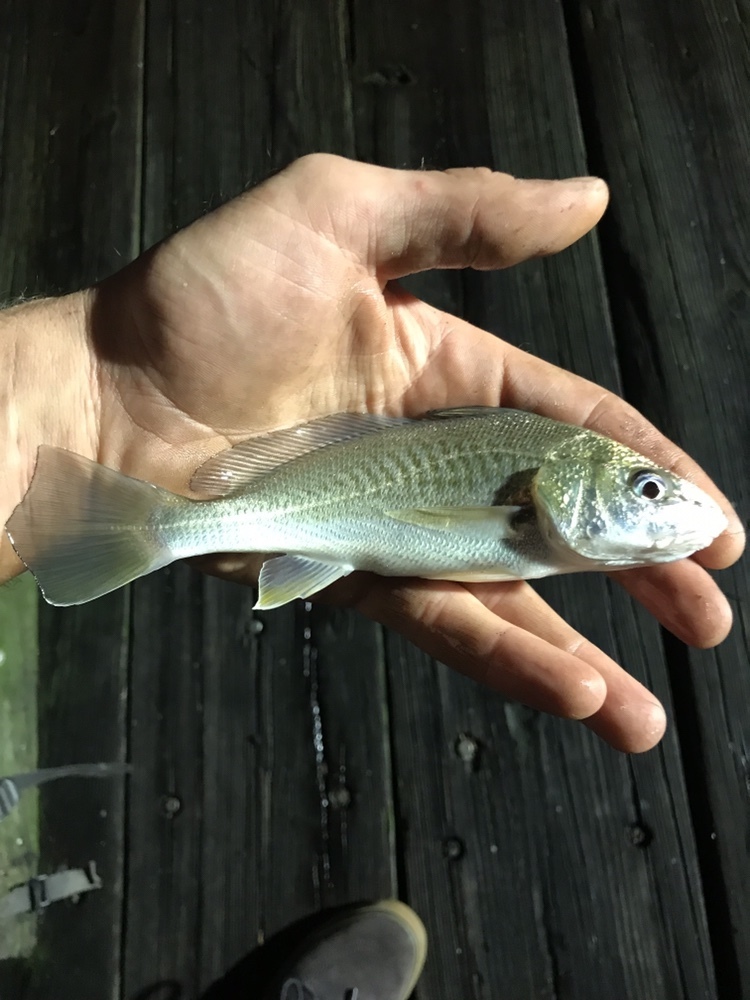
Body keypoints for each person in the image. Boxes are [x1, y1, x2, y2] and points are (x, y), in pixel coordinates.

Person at [0, 154, 743, 999]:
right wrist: (83, 390)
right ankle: (155, 527)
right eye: (647, 490)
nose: (663, 509)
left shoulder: (550, 497)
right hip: (268, 502)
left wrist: (66, 391)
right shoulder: (536, 497)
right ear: (556, 491)